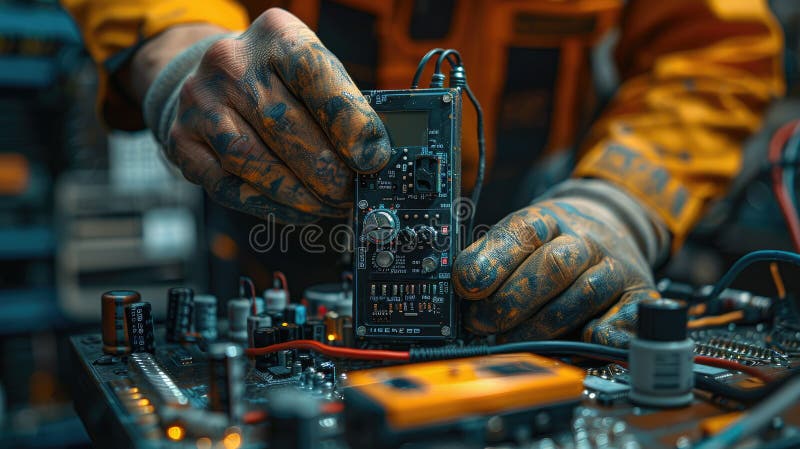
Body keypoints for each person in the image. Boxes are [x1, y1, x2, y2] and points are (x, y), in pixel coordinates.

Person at [62, 0, 784, 346]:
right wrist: (176, 53)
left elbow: (715, 46)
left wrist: (619, 202)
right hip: (259, 212)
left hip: (516, 238)